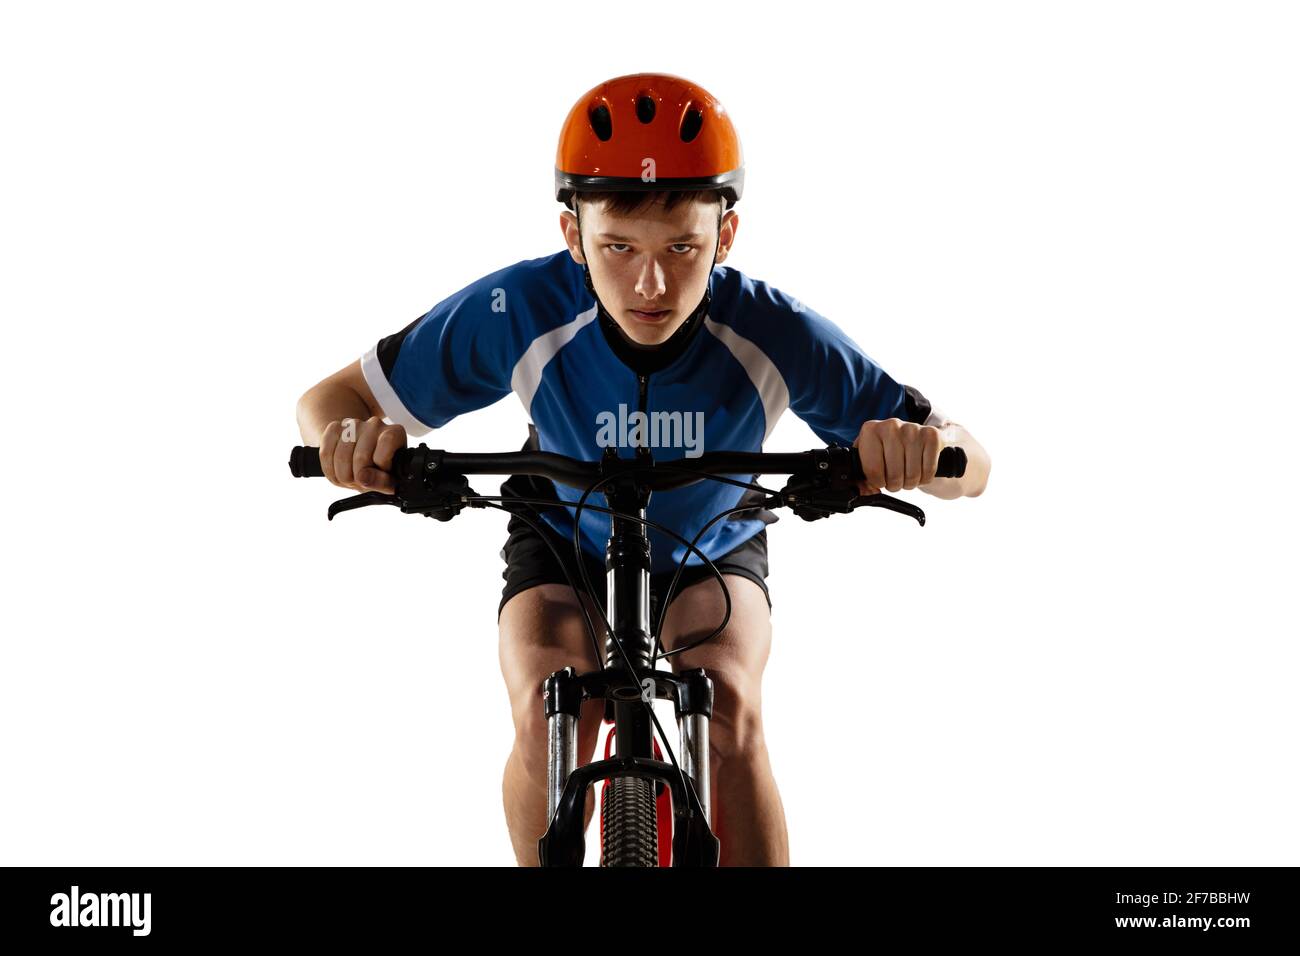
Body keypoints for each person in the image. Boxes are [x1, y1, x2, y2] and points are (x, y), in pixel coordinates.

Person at [295, 72, 992, 866]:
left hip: (711, 539)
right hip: (563, 531)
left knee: (729, 710)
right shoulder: (521, 310)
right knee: (546, 708)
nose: (649, 284)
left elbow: (967, 463)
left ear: (725, 237)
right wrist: (350, 440)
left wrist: (923, 454)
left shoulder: (774, 329)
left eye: (682, 249)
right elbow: (334, 398)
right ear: (572, 233)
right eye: (618, 248)